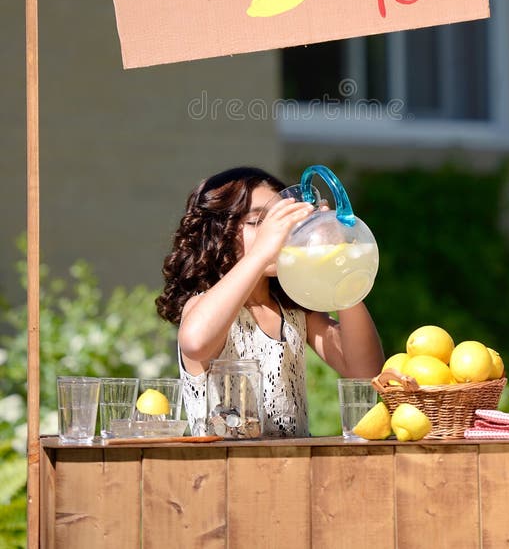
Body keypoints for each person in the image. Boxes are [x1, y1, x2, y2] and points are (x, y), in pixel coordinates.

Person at [156, 166, 384, 437]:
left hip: (294, 473)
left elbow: (366, 372)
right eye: (257, 222)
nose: (279, 233)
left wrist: (338, 264)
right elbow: (195, 342)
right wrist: (261, 252)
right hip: (224, 475)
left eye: (285, 220)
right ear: (219, 233)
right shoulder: (203, 306)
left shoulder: (295, 313)